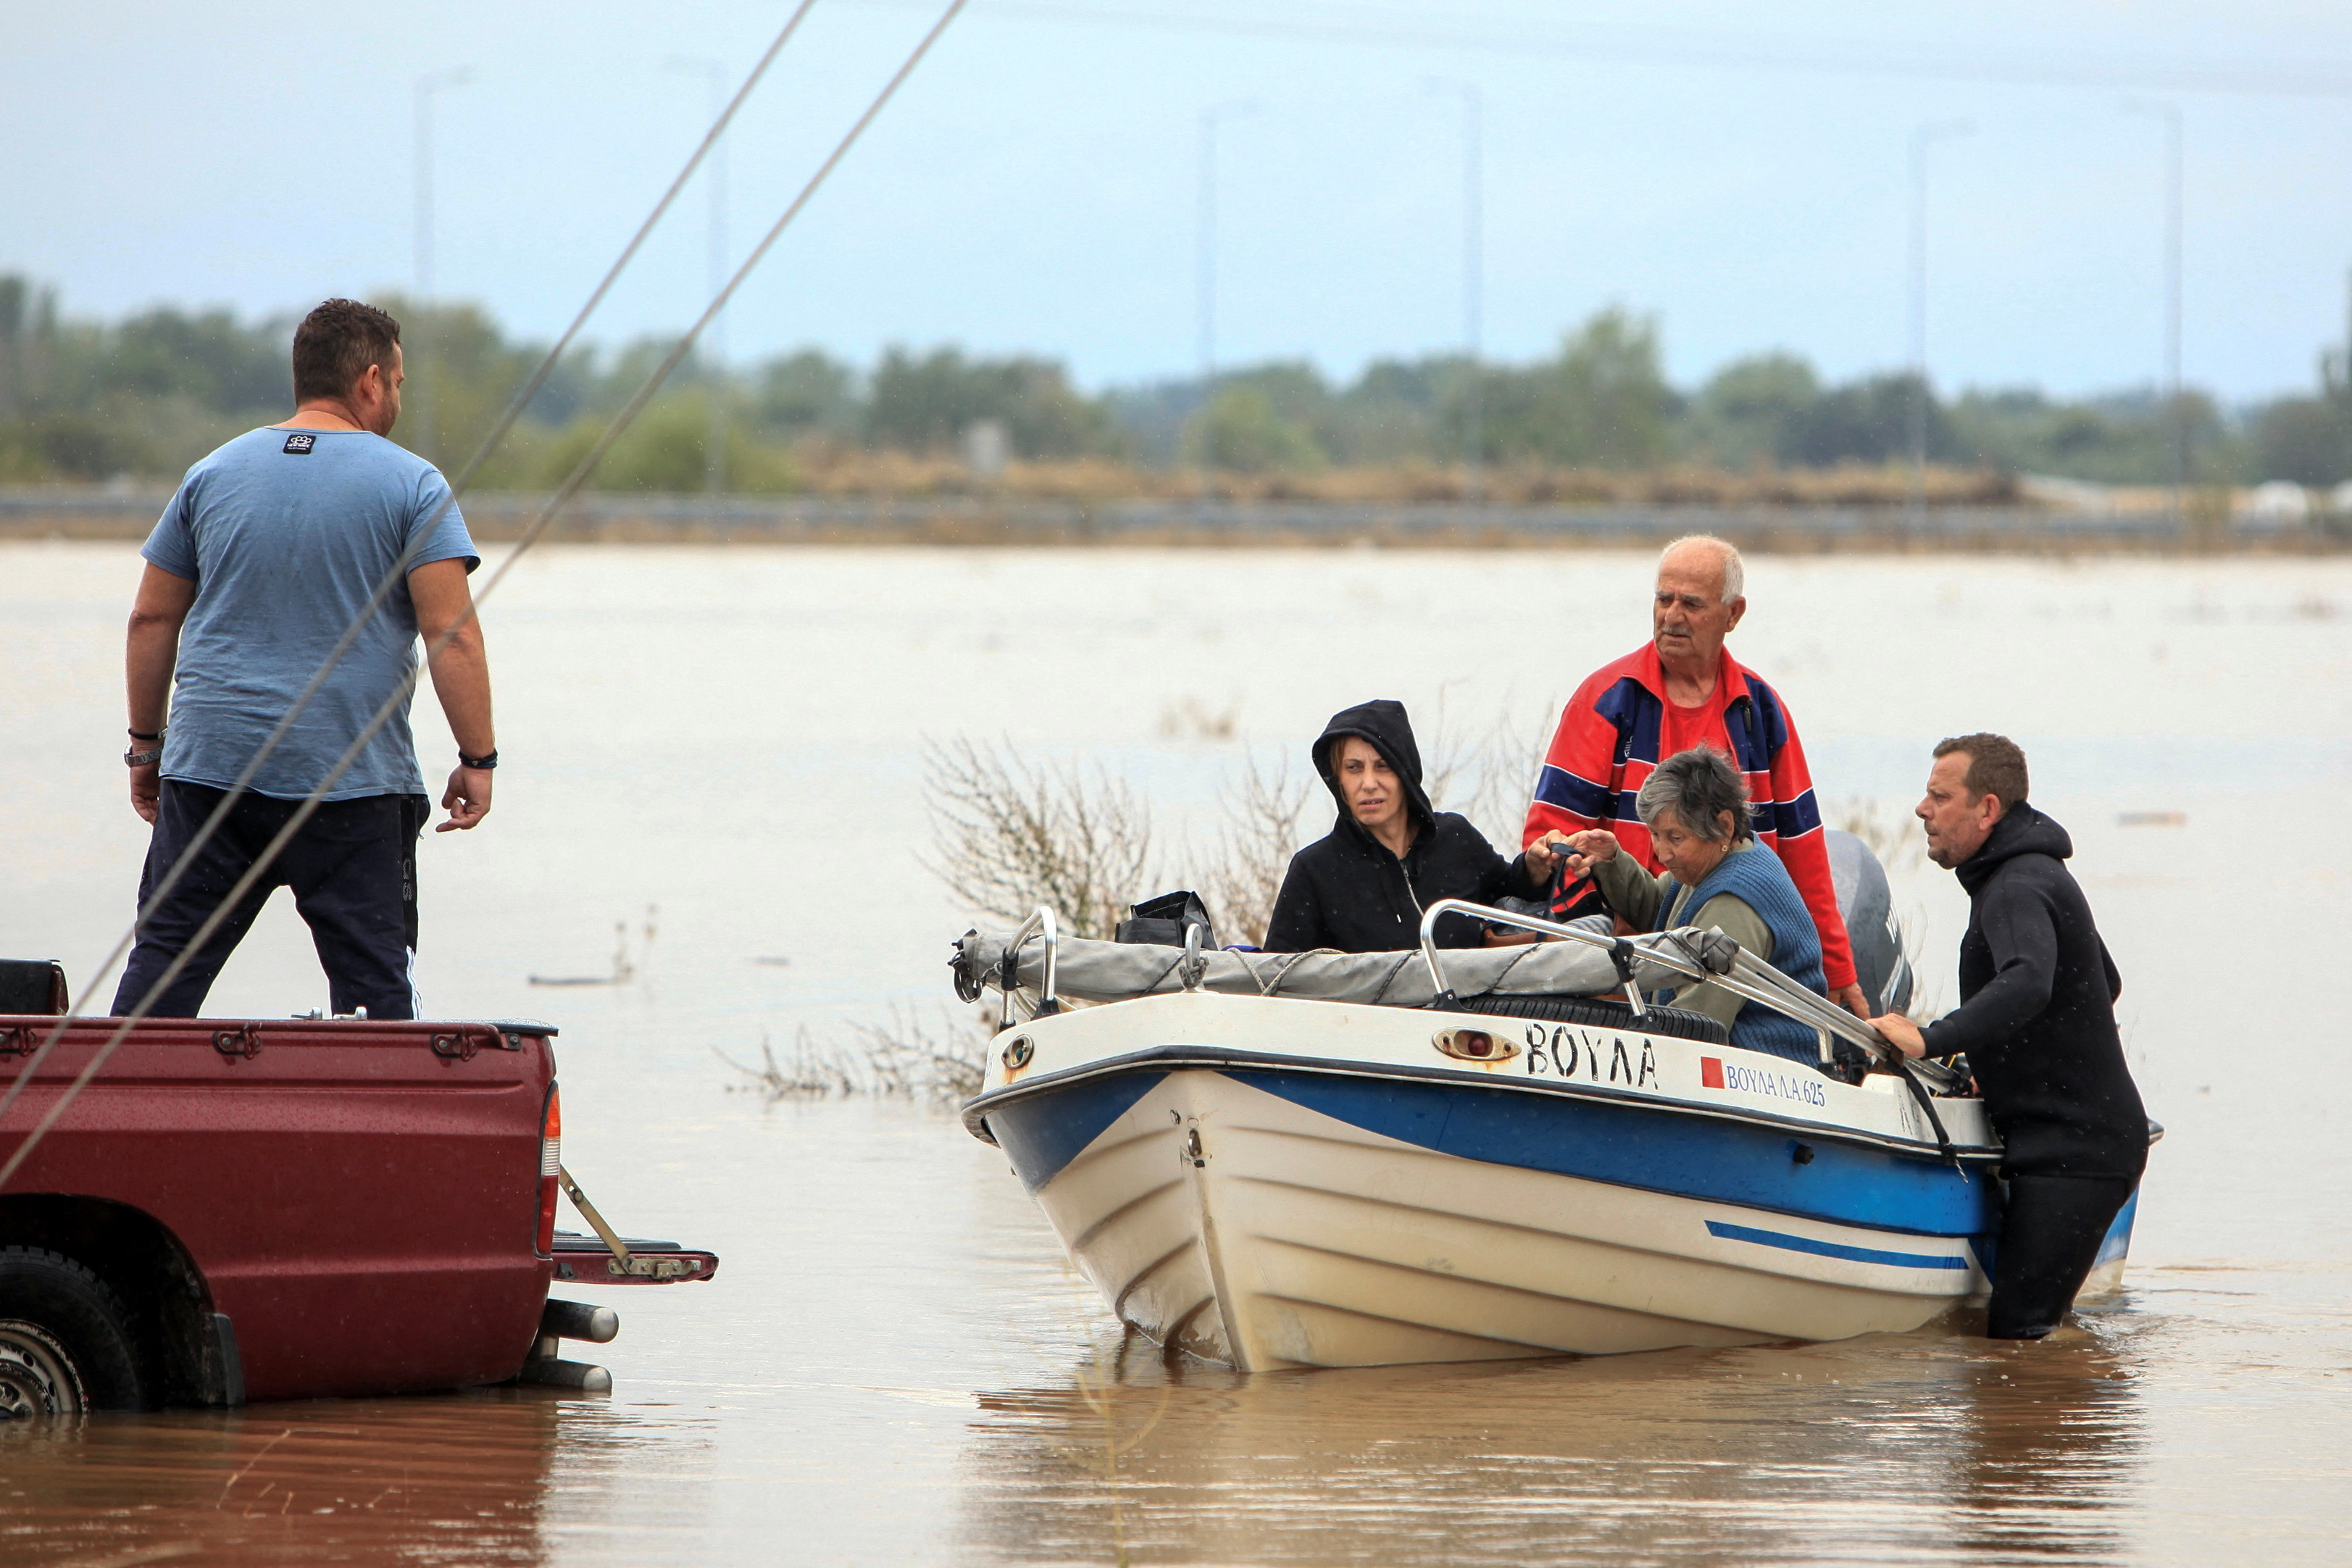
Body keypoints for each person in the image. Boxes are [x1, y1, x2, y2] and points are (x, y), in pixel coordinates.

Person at [112, 299, 495, 1021]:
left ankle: (113, 1092)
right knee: (375, 1002)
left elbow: (150, 618)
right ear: (371, 380)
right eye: (399, 383)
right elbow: (453, 632)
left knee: (159, 981)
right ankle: (377, 1096)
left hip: (211, 773)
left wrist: (145, 748)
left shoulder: (212, 473)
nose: (398, 399)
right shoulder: (414, 484)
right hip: (351, 784)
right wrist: (479, 758)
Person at [1869, 735, 2148, 1341]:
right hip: (2078, 1143)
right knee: (2034, 1339)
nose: (1922, 809)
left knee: (2021, 1336)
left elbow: (2028, 982)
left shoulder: (2016, 884)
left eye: (1940, 797)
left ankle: (2069, 1402)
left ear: (1987, 809)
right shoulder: (2030, 873)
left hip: (2076, 1154)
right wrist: (1992, 1061)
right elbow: (2104, 980)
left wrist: (1930, 1039)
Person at [1523, 535, 1869, 1016]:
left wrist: (1839, 972)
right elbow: (1551, 841)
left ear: (1733, 614)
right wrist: (1594, 967)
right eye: (1663, 599)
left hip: (1742, 960)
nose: (1671, 616)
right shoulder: (1604, 700)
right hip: (1615, 968)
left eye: (1691, 603)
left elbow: (1802, 852)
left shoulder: (1762, 710)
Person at [1541, 746, 1828, 1064]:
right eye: (1655, 834)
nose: (1662, 853)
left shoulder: (1733, 904)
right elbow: (1661, 909)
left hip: (1764, 1068)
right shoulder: (1719, 860)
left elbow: (1693, 1030)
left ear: (1724, 825)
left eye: (1675, 838)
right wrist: (1610, 859)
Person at [1263, 700, 1561, 954]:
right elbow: (1278, 976)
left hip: (1470, 1006)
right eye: (1353, 768)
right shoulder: (1314, 870)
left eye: (1383, 766)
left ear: (1406, 772)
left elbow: (1512, 894)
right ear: (1338, 779)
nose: (1368, 783)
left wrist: (1534, 868)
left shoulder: (1455, 838)